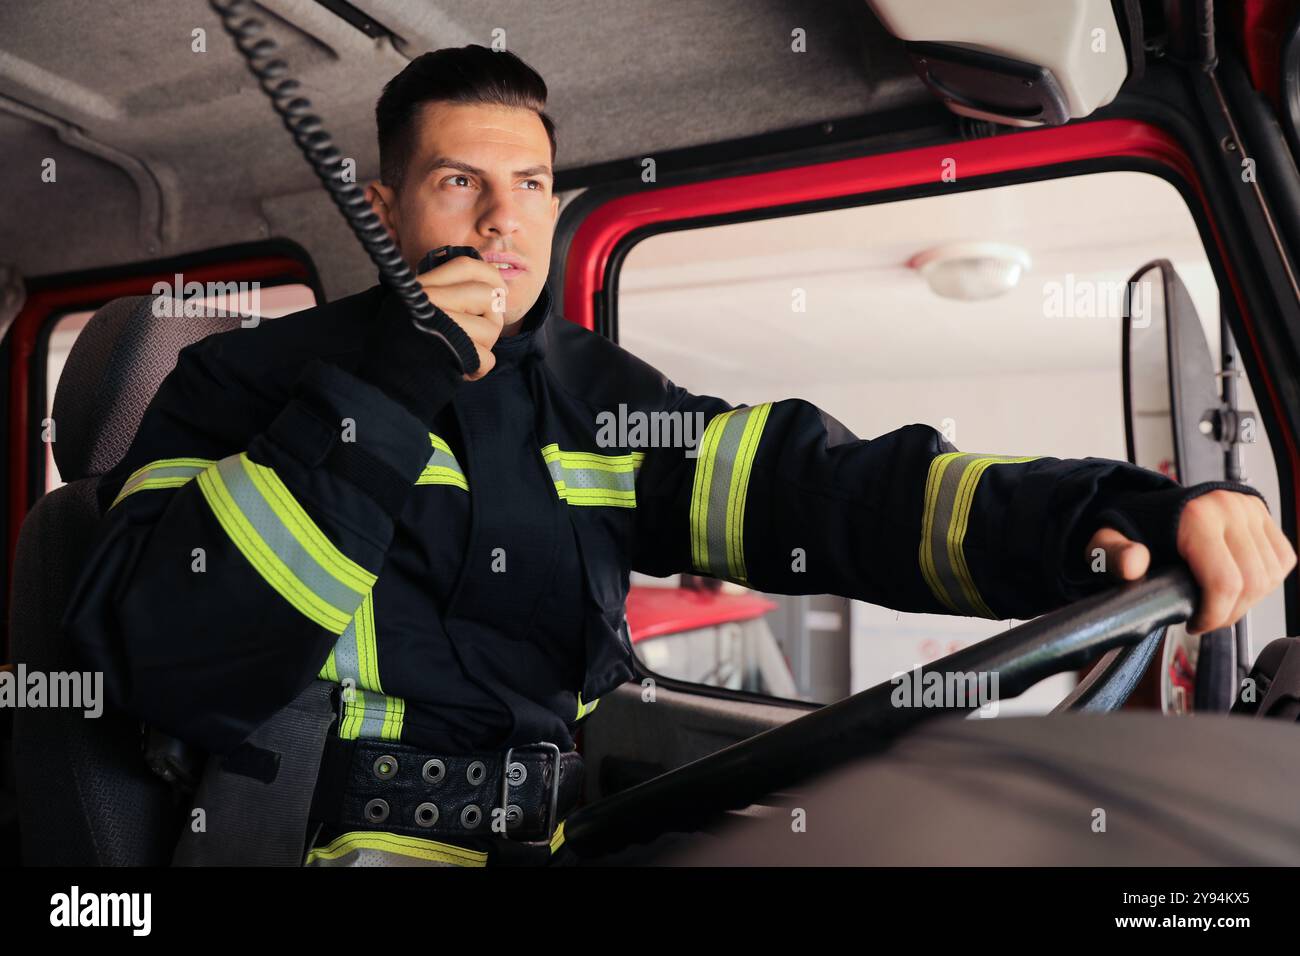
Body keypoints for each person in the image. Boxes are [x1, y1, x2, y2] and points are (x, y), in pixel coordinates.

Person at [64, 45, 1295, 867]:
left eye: (533, 185)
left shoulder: (593, 399)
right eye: (460, 183)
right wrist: (393, 385)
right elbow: (183, 656)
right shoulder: (247, 384)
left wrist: (1109, 510)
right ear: (384, 213)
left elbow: (828, 490)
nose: (504, 220)